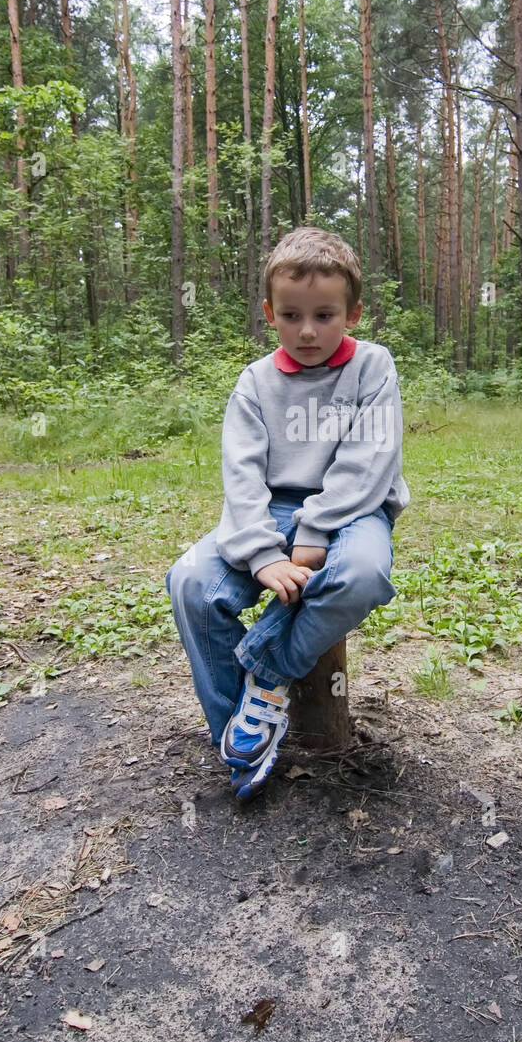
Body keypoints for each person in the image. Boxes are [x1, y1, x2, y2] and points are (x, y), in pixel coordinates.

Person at [165, 226, 411, 800]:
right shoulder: (255, 382)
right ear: (269, 313)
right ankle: (239, 731)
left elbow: (368, 460)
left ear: (352, 314)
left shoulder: (373, 367)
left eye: (325, 315)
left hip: (354, 511)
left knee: (362, 574)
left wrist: (316, 528)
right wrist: (260, 552)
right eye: (292, 315)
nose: (308, 330)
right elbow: (242, 474)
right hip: (269, 510)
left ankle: (266, 671)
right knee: (192, 582)